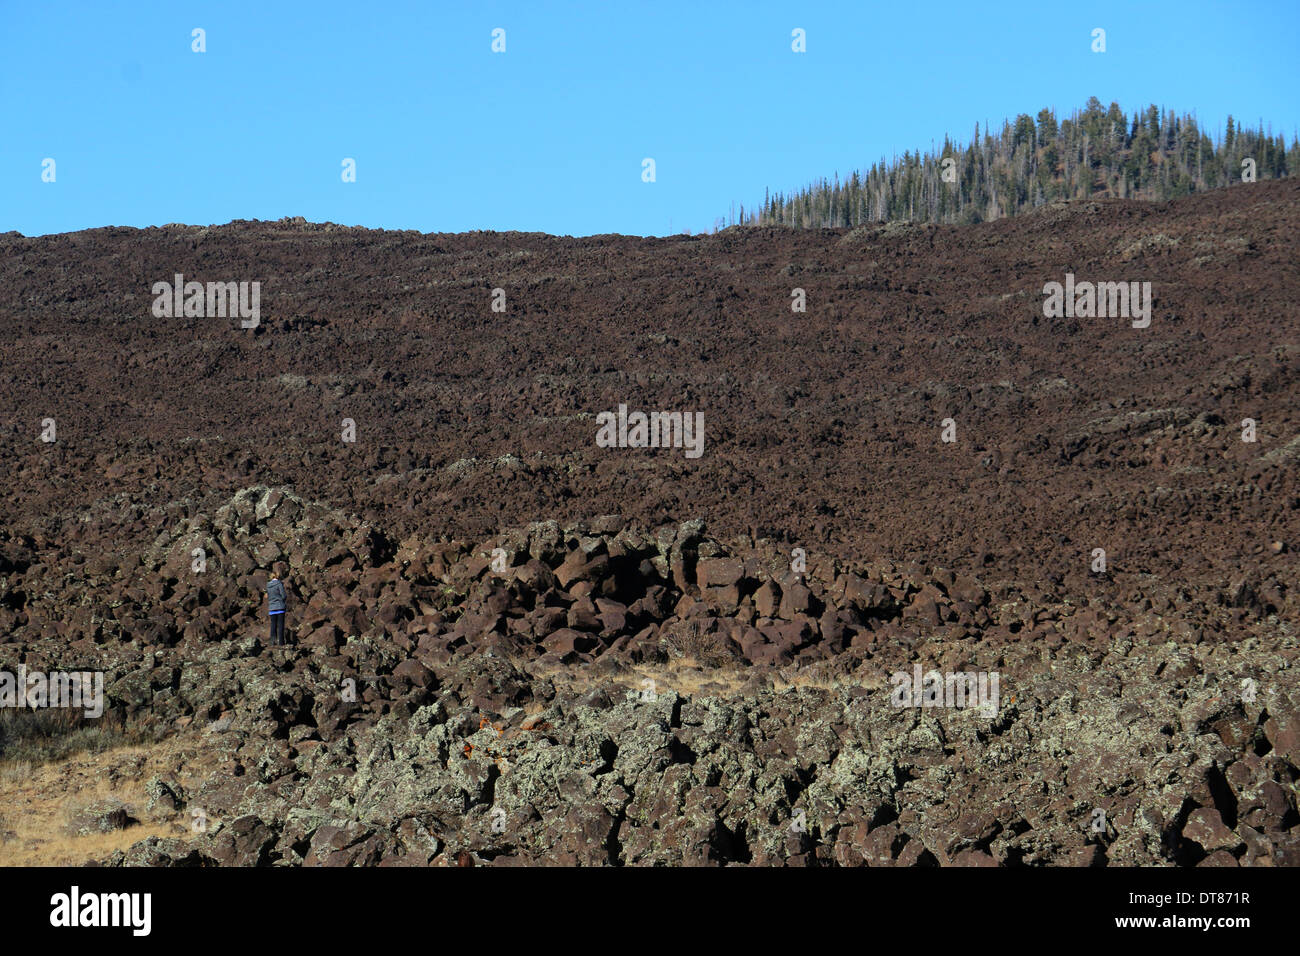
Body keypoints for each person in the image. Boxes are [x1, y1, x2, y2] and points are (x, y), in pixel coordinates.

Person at [266, 564, 288, 646]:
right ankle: (281, 642)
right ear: (277, 576)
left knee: (273, 625)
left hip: (272, 608)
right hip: (280, 607)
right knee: (280, 625)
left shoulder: (268, 586)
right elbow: (283, 595)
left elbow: (268, 596)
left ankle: (272, 642)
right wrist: (282, 600)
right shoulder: (279, 584)